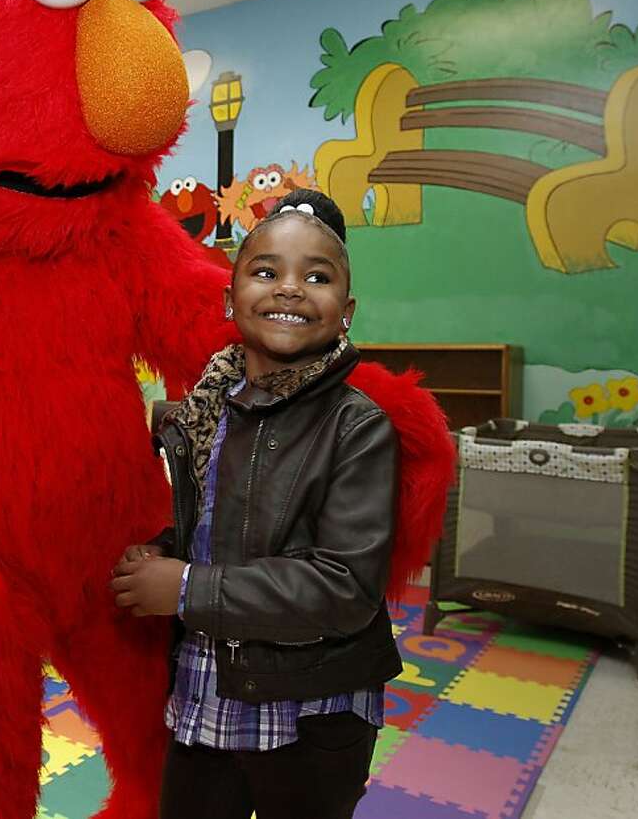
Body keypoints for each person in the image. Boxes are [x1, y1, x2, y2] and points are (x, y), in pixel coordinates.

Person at [112, 189, 418, 819]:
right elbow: (219, 523)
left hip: (312, 710)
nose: (291, 288)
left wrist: (187, 588)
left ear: (346, 311)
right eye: (266, 271)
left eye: (317, 277)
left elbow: (345, 586)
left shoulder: (357, 427)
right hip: (207, 689)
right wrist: (164, 554)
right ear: (230, 300)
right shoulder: (206, 411)